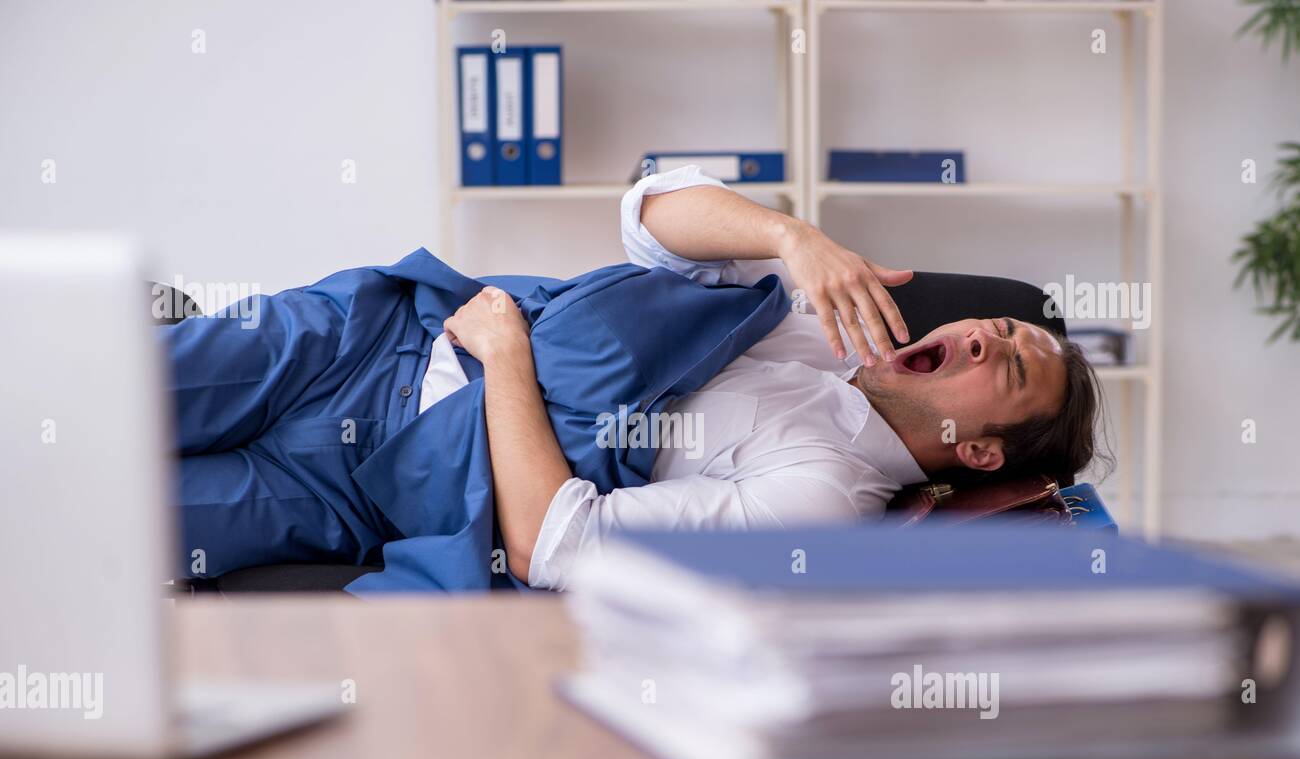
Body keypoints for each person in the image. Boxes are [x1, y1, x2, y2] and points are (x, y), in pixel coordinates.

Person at [163, 166, 1102, 593]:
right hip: (365, 334)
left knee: (114, 512)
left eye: (1011, 363)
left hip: (371, 487)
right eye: (1003, 326)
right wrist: (790, 235)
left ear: (978, 450)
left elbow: (552, 544)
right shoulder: (830, 317)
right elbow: (651, 210)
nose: (984, 332)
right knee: (97, 384)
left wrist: (508, 361)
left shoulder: (819, 500)